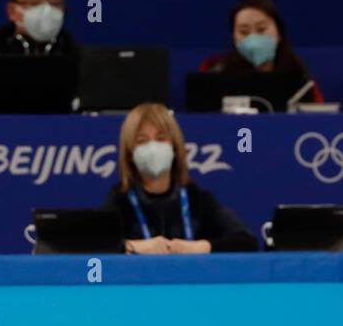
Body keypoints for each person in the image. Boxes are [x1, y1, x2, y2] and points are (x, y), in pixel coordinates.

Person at [102, 103, 257, 254]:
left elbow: (246, 241)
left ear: (175, 147)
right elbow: (94, 247)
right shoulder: (119, 201)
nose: (153, 148)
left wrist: (199, 247)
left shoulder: (197, 199)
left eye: (161, 138)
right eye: (142, 141)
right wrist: (132, 247)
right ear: (129, 153)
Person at [197, 0, 325, 104]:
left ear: (279, 32)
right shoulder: (216, 72)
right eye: (244, 32)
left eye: (261, 29)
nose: (253, 38)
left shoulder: (298, 73)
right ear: (233, 37)